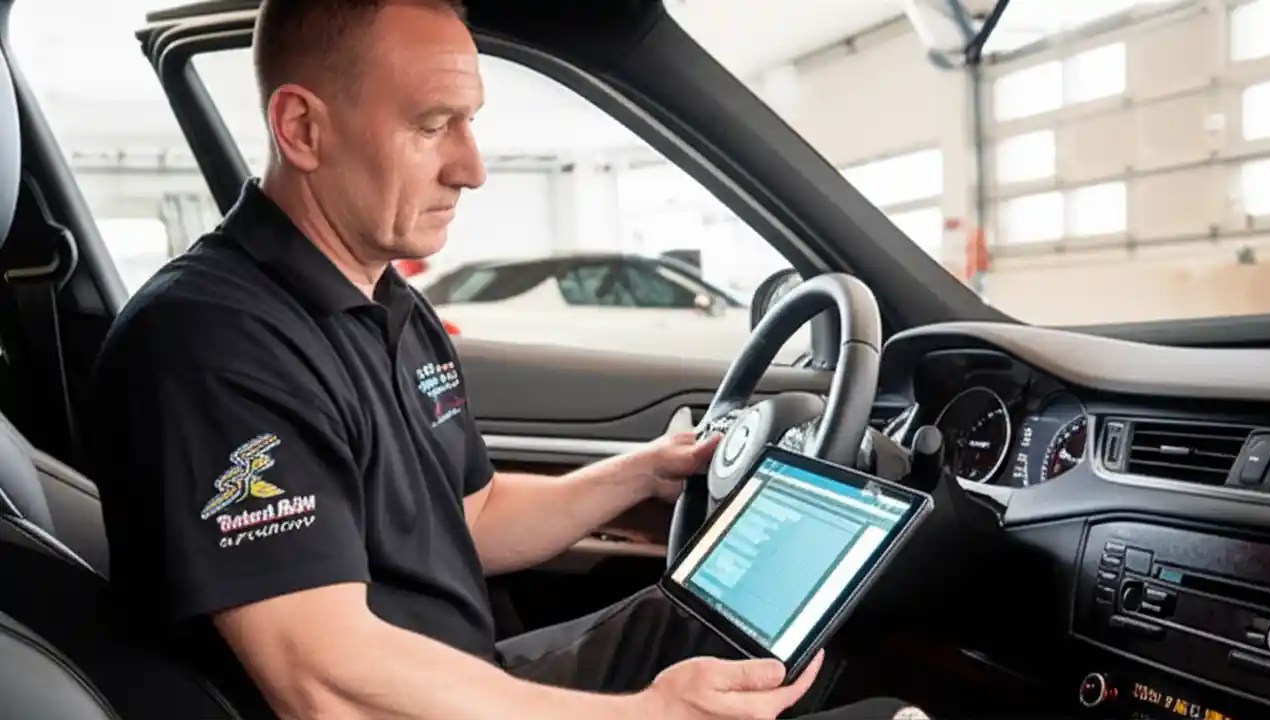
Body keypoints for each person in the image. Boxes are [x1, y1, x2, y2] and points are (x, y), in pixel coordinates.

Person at [86, 1, 895, 718]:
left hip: (463, 679)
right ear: (302, 129)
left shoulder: (389, 303)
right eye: (433, 125)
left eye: (470, 123)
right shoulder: (209, 343)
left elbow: (465, 518)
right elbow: (324, 681)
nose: (471, 168)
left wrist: (641, 473)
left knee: (743, 638)